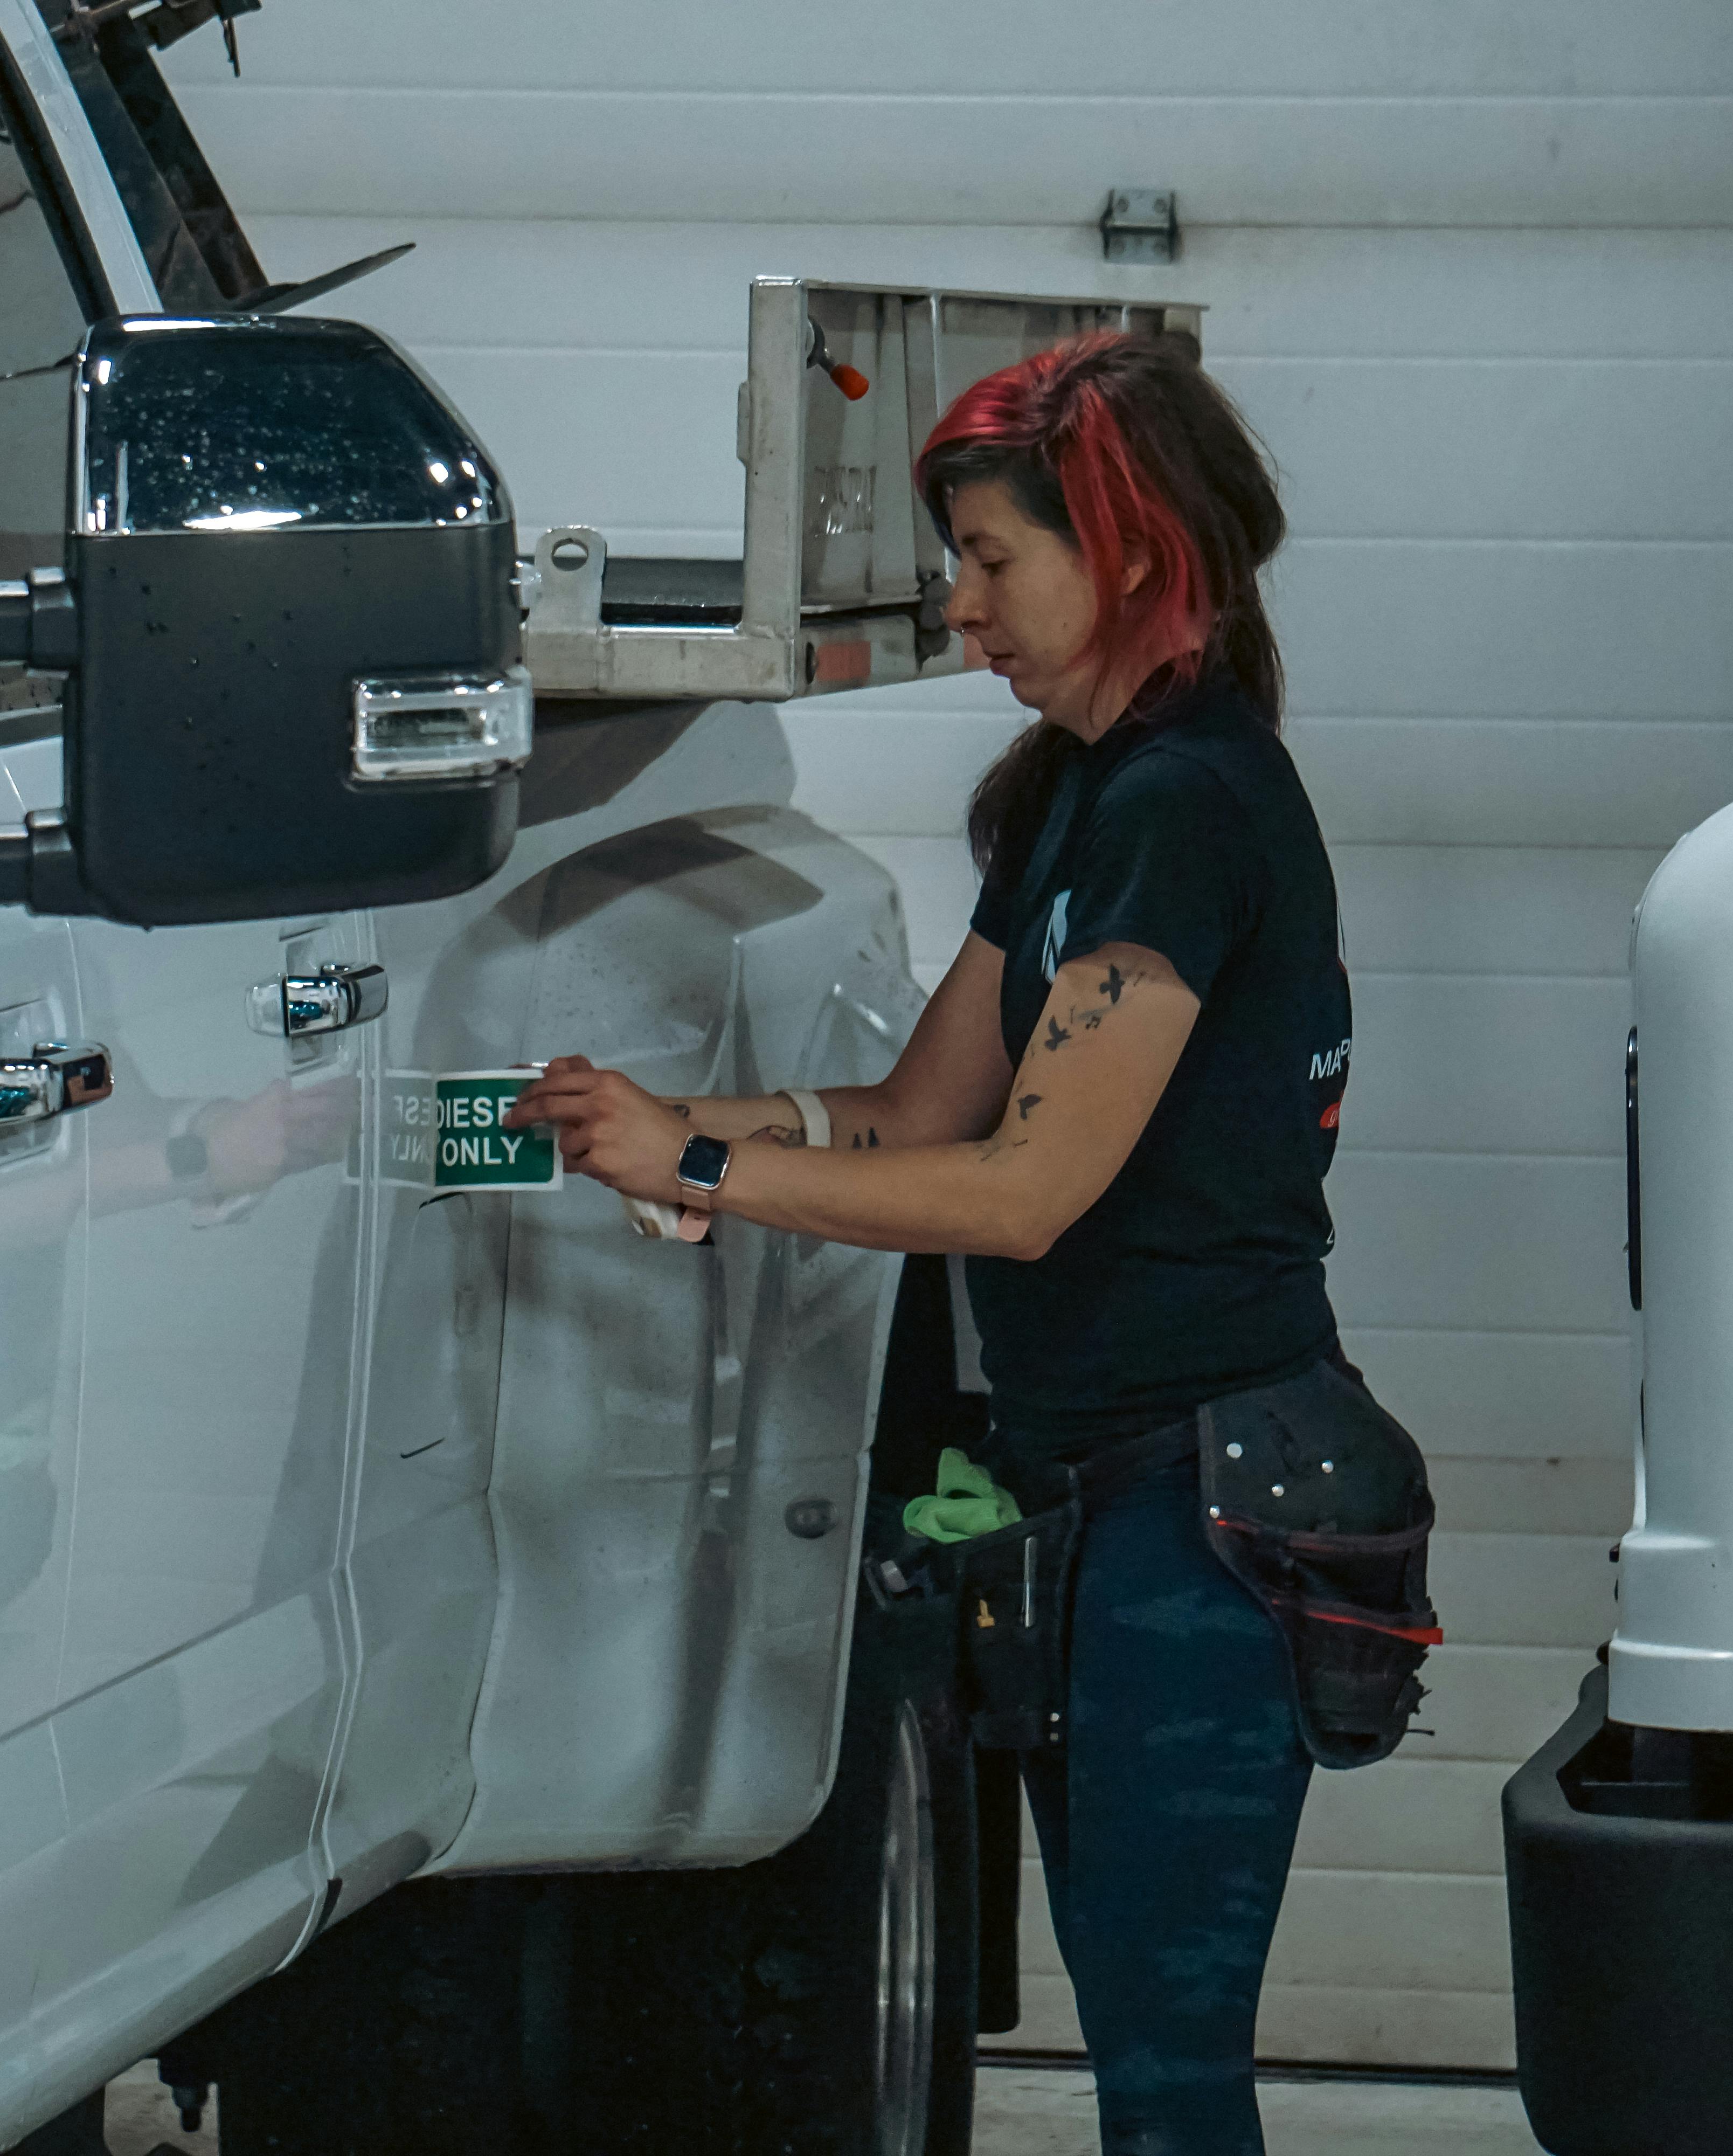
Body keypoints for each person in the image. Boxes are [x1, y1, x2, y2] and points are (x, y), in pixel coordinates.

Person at [510, 329, 1351, 2155]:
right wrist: (654, 1121)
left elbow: (1016, 1194)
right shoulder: (1066, 797)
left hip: (1202, 1521)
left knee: (1167, 2074)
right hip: (1085, 1500)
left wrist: (706, 1171)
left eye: (993, 563)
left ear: (1128, 552)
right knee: (1144, 2053)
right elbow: (917, 1117)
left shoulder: (1190, 808)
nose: (962, 613)